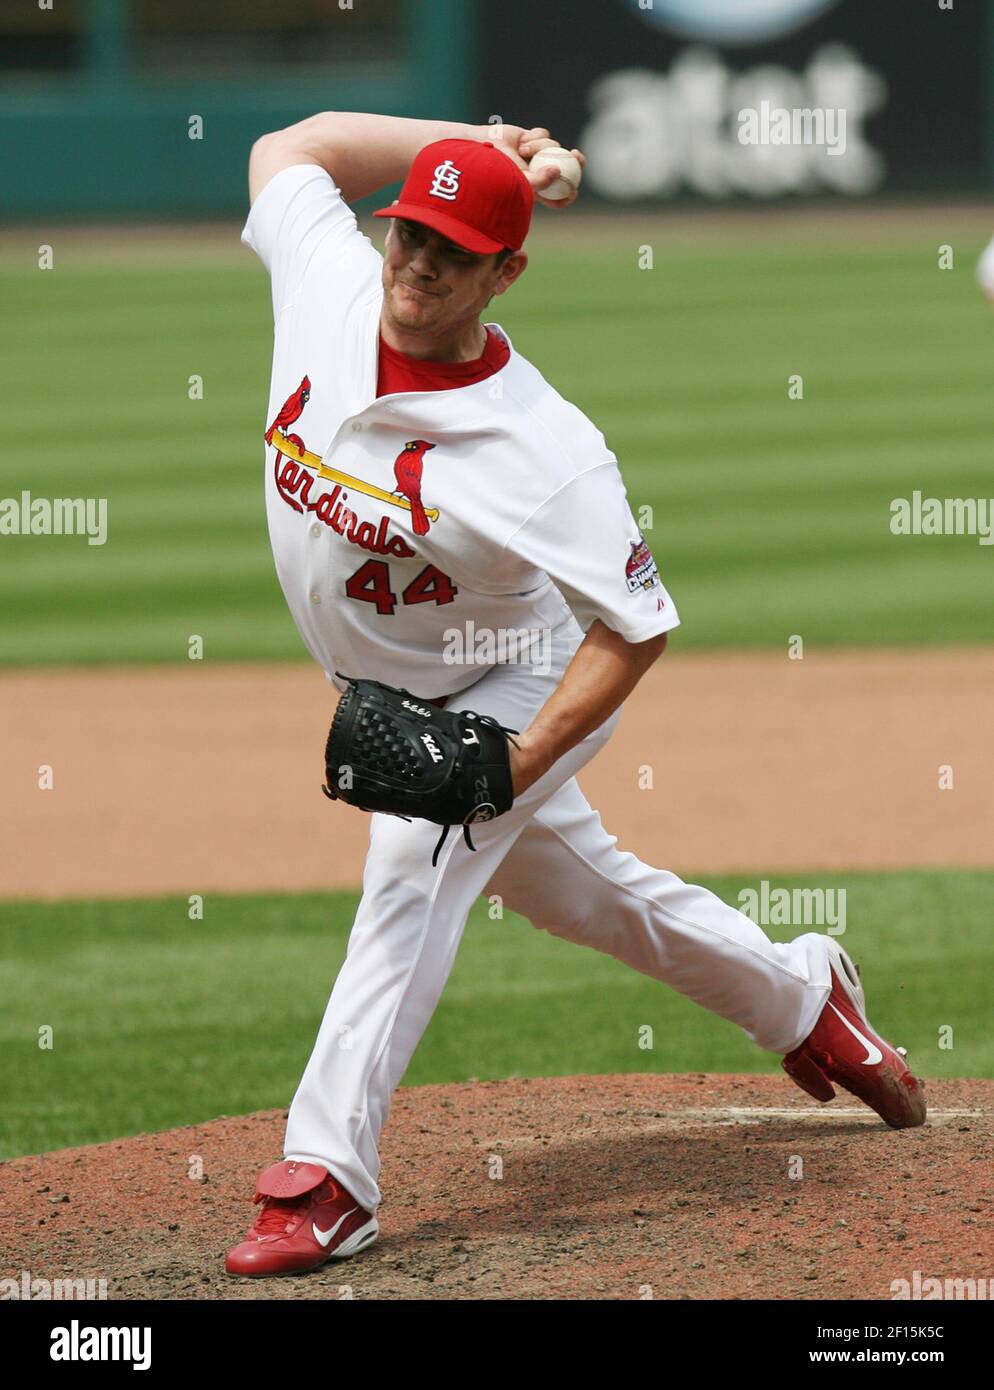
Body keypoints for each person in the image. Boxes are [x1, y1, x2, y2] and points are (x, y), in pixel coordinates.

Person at [225, 112, 926, 1278]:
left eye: (451, 249)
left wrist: (507, 763)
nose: (415, 264)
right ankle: (803, 994)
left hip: (512, 671)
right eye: (407, 234)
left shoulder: (543, 450)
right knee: (584, 893)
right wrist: (477, 137)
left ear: (507, 272)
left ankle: (325, 1175)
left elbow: (637, 625)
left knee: (416, 861)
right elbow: (287, 148)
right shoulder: (328, 278)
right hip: (392, 672)